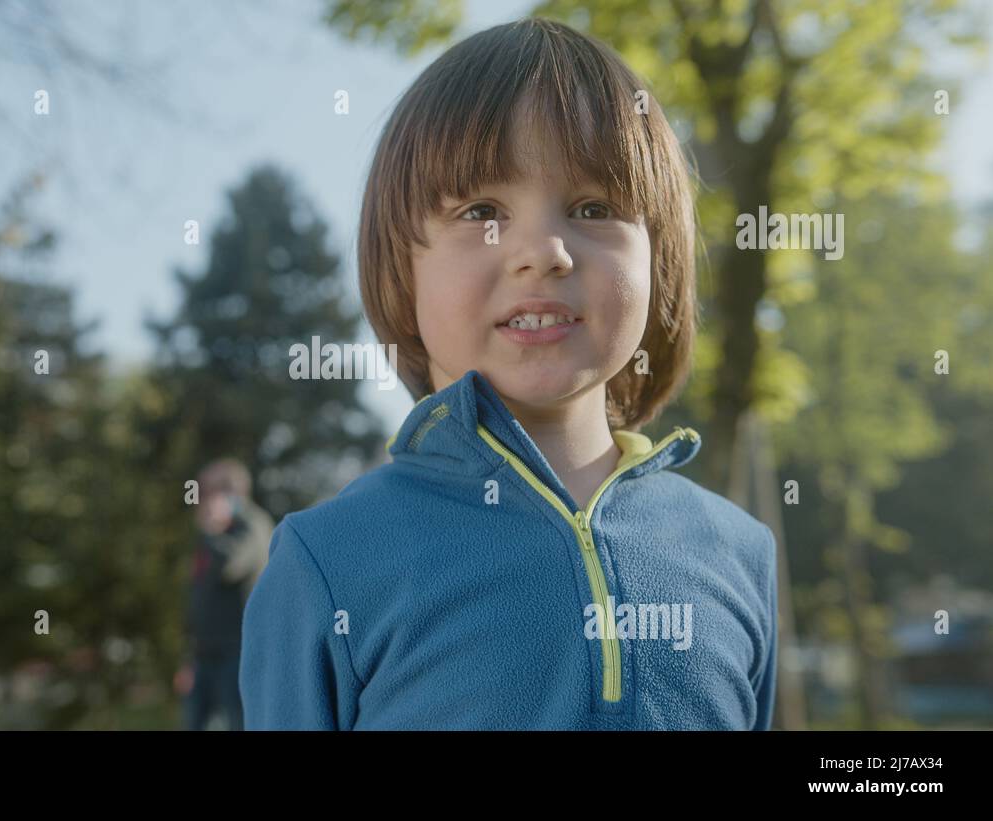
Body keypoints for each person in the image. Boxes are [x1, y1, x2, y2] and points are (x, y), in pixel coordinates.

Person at [239, 18, 778, 730]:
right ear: (402, 268)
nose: (544, 251)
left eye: (594, 208)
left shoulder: (740, 550)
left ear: (660, 261)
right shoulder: (325, 562)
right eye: (482, 211)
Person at [182, 458, 272, 730]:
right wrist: (188, 658)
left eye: (207, 490)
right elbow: (200, 594)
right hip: (205, 655)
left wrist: (212, 528)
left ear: (228, 491)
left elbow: (230, 566)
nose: (201, 498)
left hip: (237, 654)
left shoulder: (252, 524)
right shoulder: (220, 527)